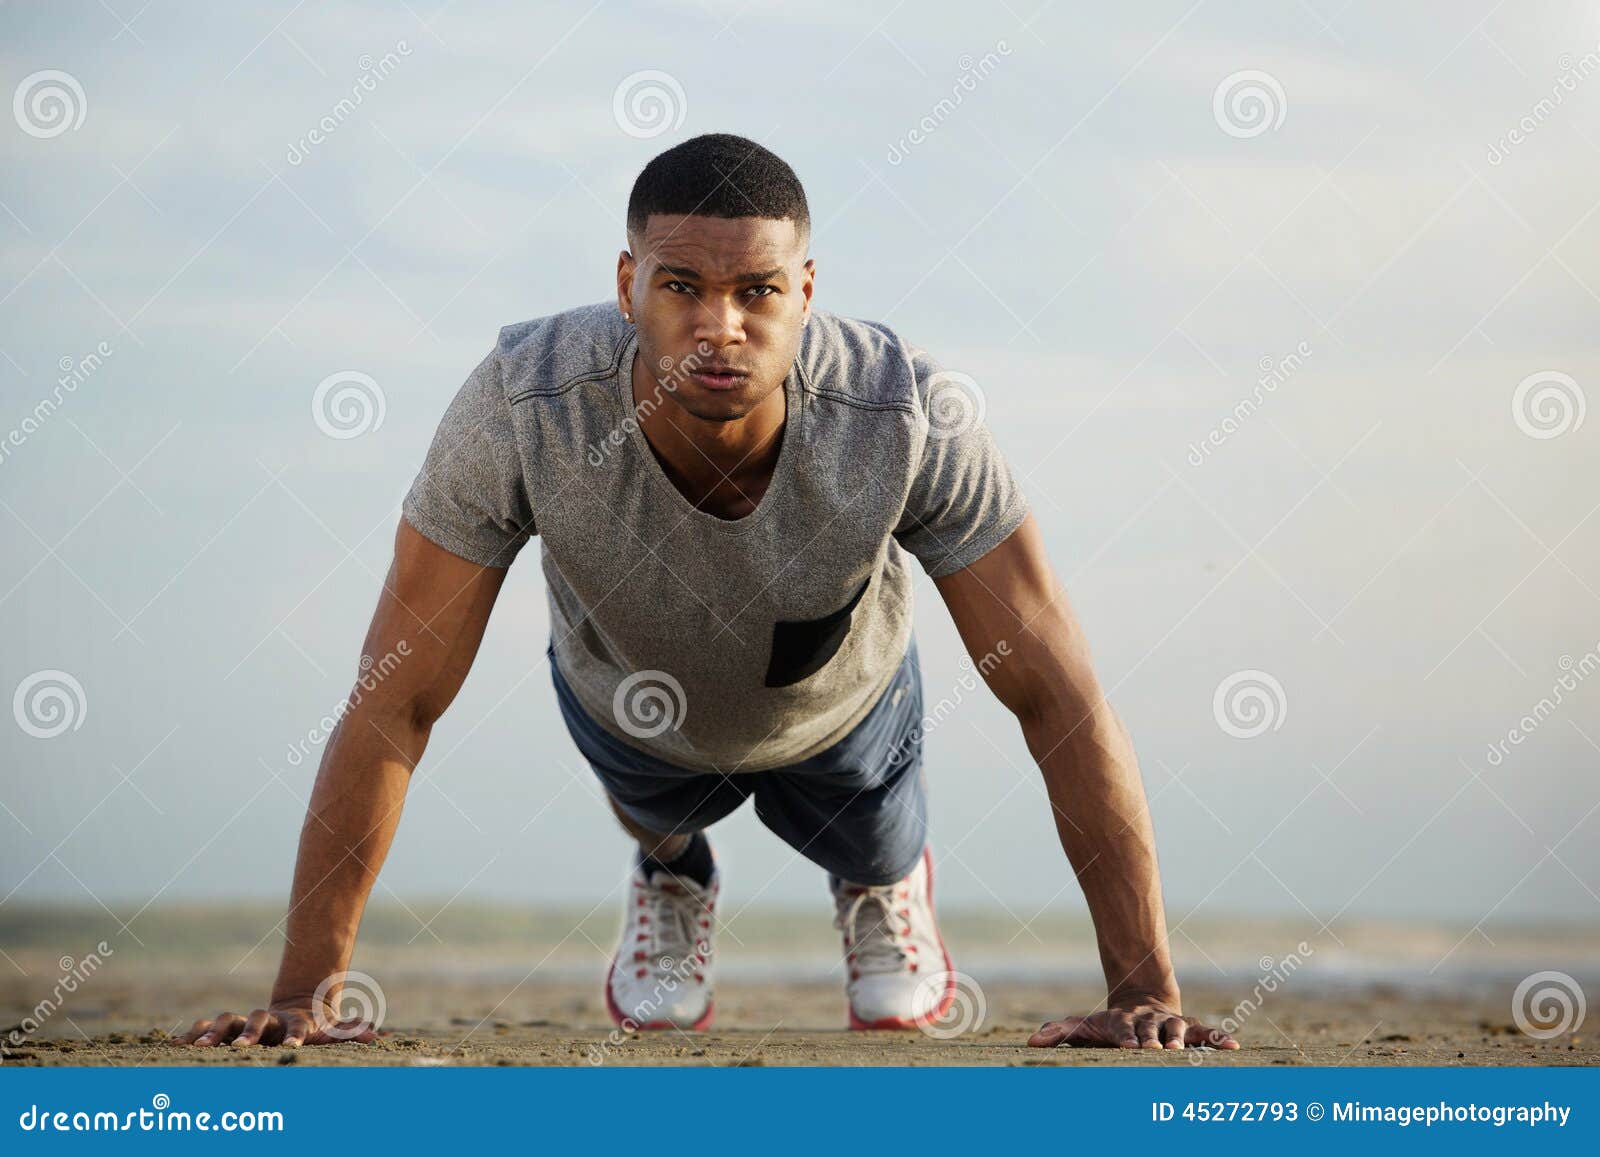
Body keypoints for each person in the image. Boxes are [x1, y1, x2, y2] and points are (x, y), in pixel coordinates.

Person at [174, 133, 1237, 1052]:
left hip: (843, 708)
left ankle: (882, 886)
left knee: (871, 849)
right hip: (630, 702)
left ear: (806, 291)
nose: (719, 324)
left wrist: (1144, 989)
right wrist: (304, 994)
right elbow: (397, 696)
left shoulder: (909, 413)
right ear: (627, 283)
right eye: (681, 285)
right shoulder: (523, 406)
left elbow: (1058, 692)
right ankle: (674, 874)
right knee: (656, 794)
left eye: (757, 291)